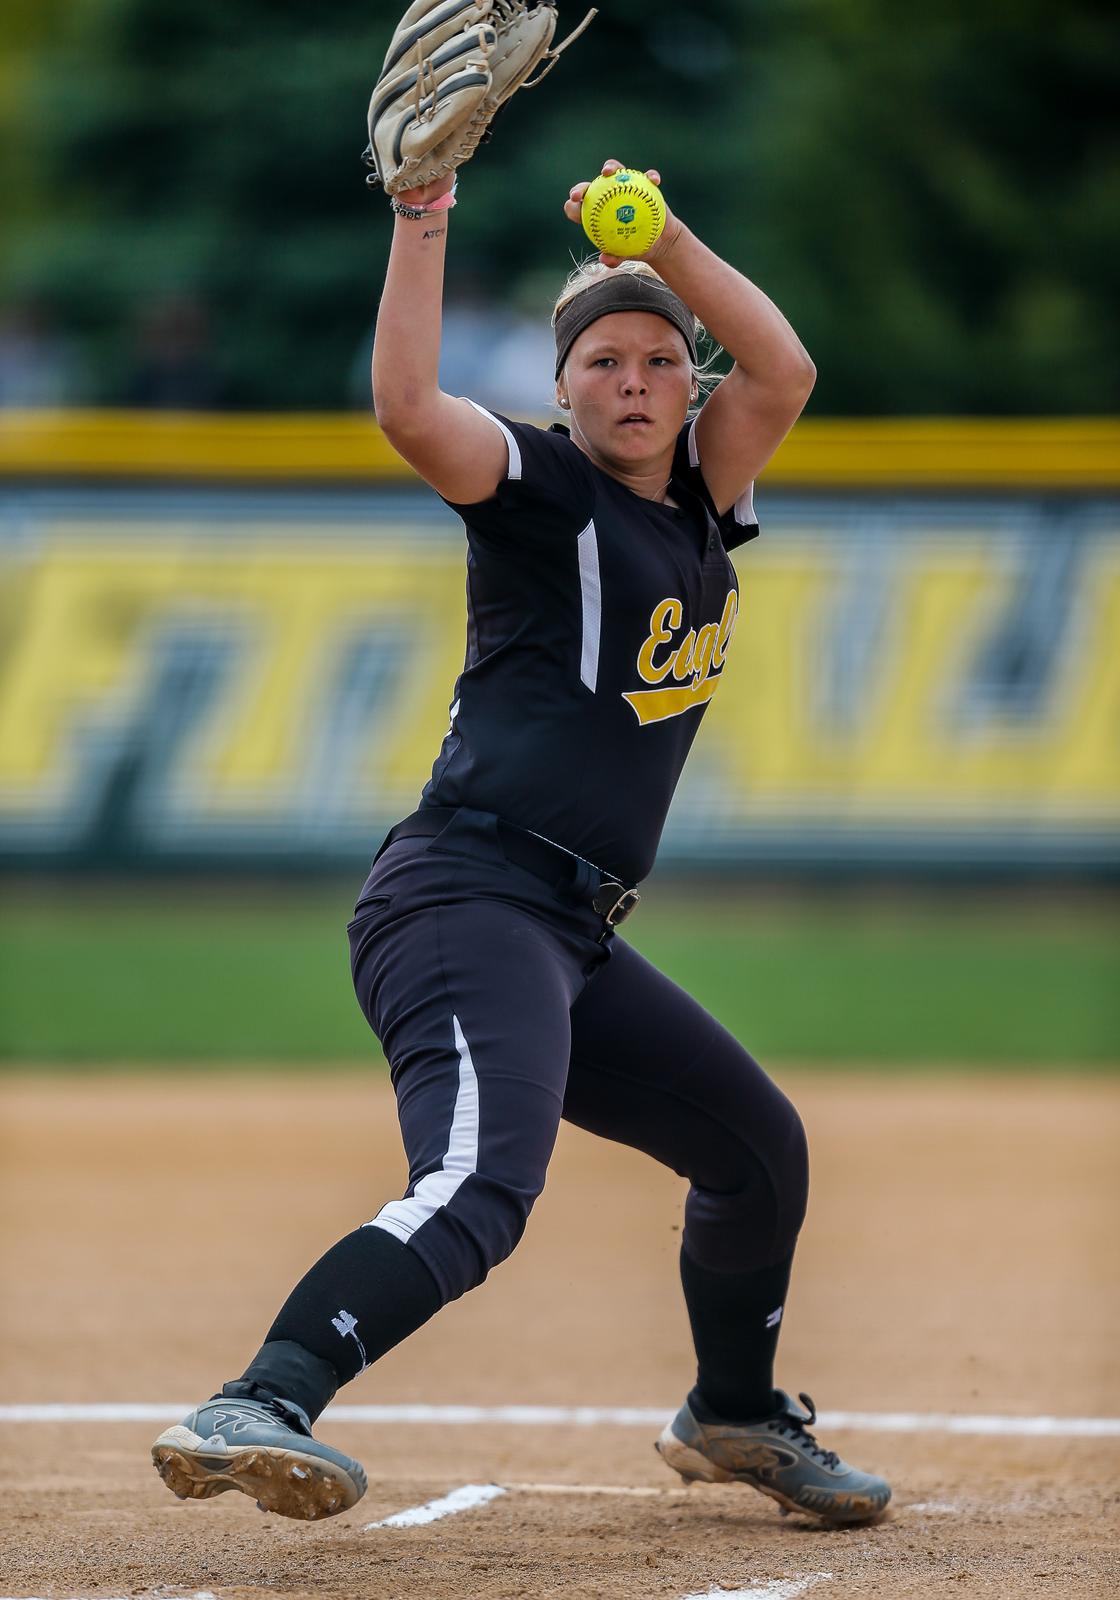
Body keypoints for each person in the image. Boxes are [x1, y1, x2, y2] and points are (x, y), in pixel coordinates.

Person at [151, 159, 891, 1528]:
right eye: (601, 359)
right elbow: (407, 407)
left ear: (688, 386)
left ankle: (731, 1414)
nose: (633, 378)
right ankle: (265, 1396)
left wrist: (663, 238)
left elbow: (779, 370)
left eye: (661, 359)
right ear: (563, 393)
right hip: (464, 895)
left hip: (569, 927)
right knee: (481, 1185)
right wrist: (421, 212)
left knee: (757, 1149)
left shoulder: (700, 506)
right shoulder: (543, 489)